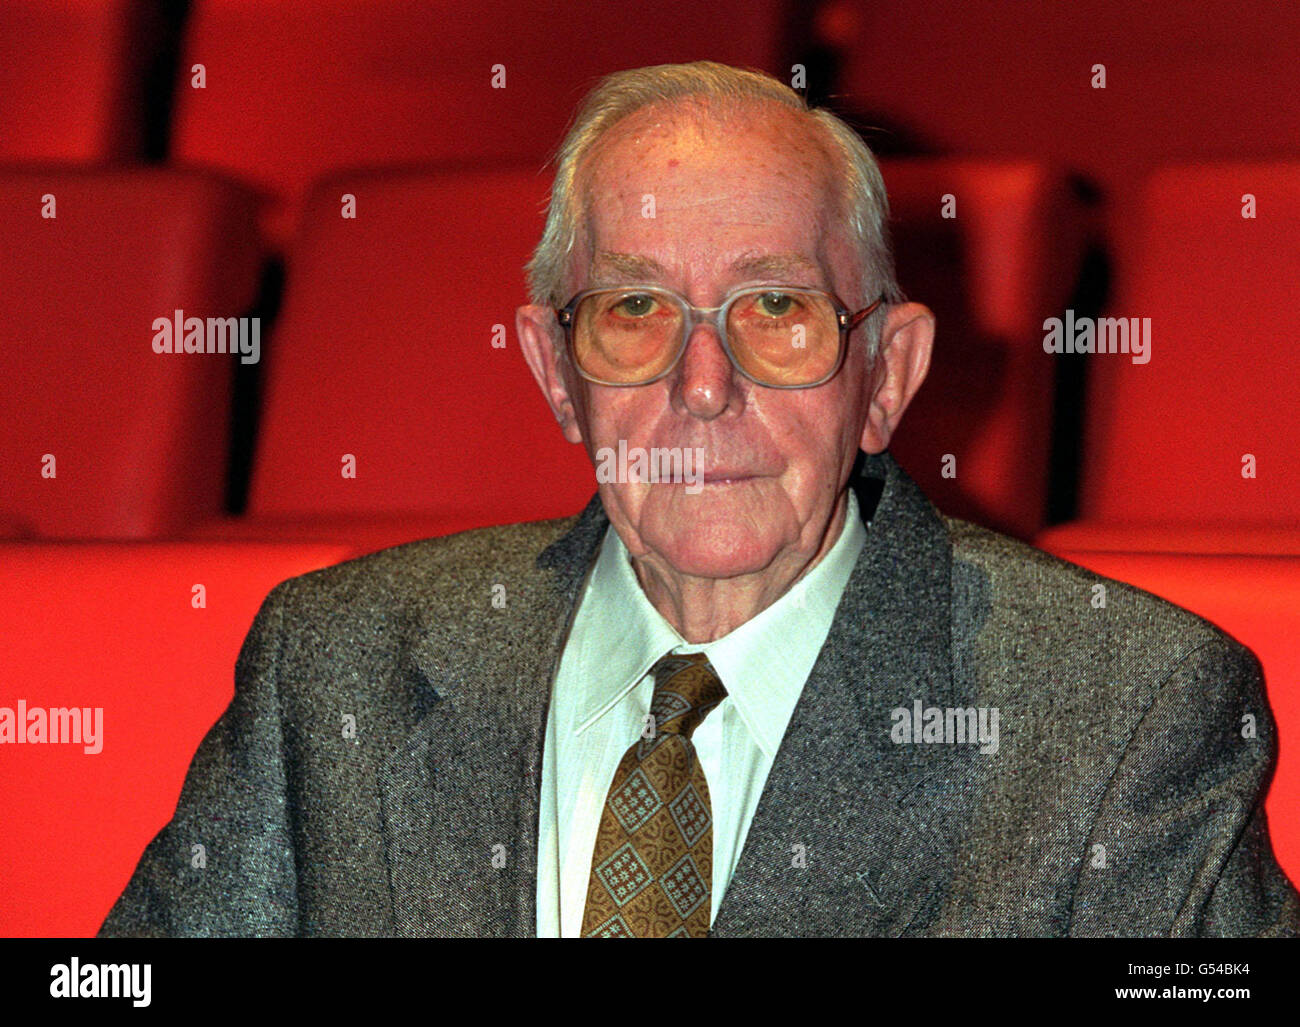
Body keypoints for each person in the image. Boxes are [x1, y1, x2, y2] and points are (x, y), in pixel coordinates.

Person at [99, 61, 1298, 937]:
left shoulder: (1124, 718)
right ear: (553, 375)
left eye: (775, 308)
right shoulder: (335, 665)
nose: (703, 386)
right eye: (634, 310)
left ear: (885, 376)